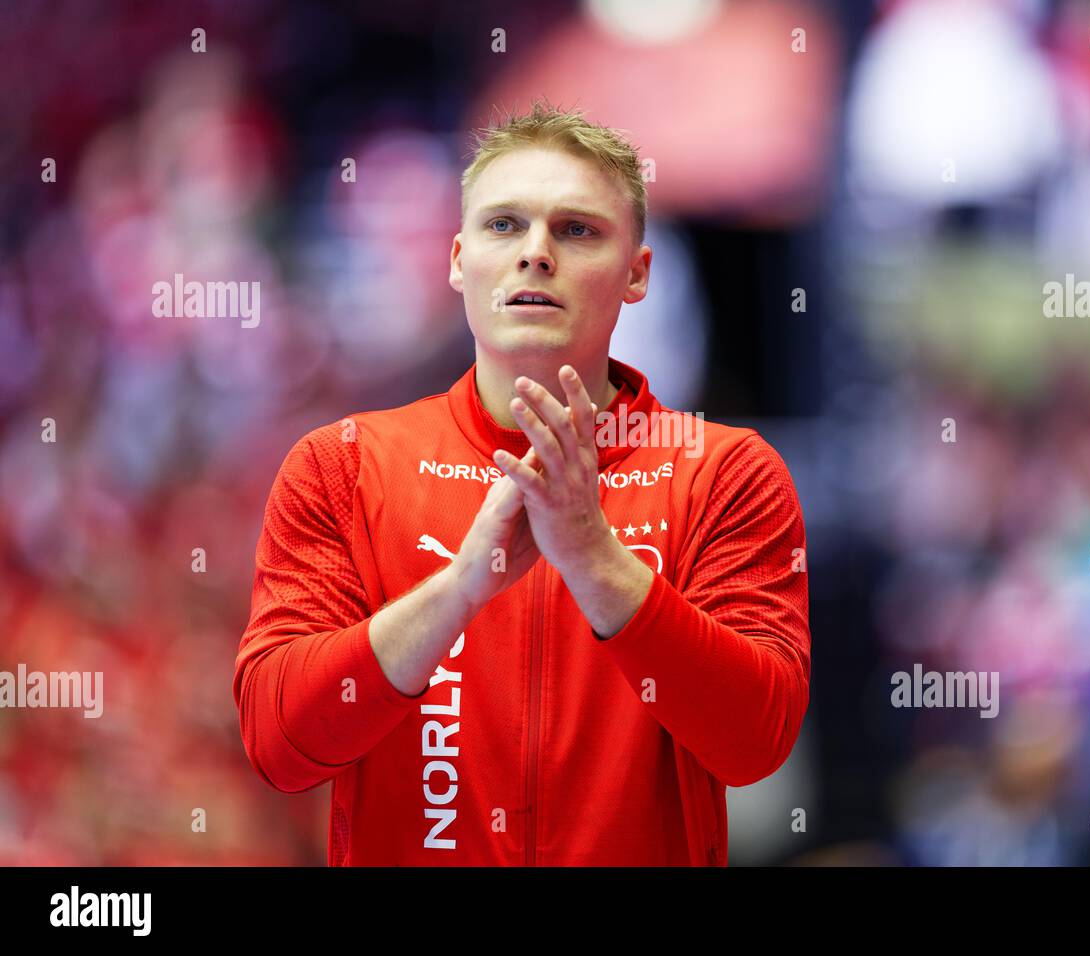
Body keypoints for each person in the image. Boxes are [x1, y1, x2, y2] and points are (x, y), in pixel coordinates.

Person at [233, 101, 811, 865]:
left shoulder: (727, 473)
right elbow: (282, 746)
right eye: (504, 225)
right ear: (457, 259)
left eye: (577, 230)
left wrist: (595, 561)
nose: (536, 252)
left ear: (637, 274)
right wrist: (456, 593)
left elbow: (755, 743)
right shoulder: (342, 464)